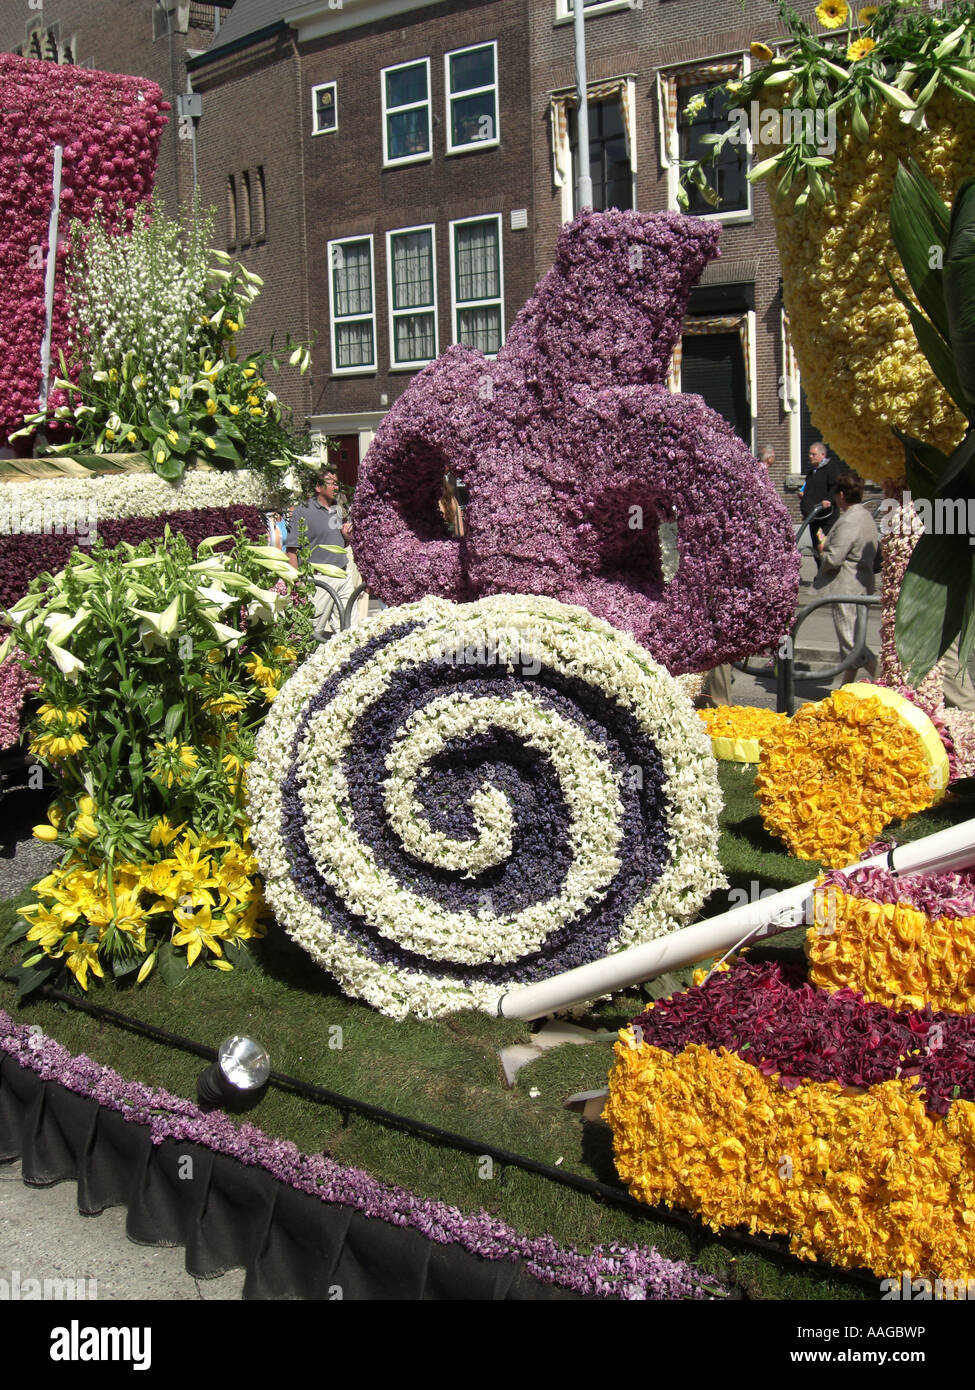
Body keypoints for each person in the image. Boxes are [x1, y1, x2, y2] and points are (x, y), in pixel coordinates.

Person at [813, 472, 879, 687]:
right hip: (862, 584)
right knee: (853, 640)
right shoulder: (866, 516)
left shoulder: (849, 520)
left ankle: (884, 679)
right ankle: (845, 690)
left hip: (846, 588)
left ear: (841, 495)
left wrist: (822, 548)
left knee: (851, 644)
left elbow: (834, 559)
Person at [286, 469, 356, 636]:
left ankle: (347, 660)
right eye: (331, 483)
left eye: (337, 483)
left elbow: (340, 543)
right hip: (319, 580)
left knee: (349, 629)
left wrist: (346, 537)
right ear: (318, 487)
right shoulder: (302, 511)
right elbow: (291, 550)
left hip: (343, 574)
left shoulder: (338, 509)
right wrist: (296, 583)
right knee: (312, 631)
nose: (336, 487)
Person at [800, 442, 843, 560]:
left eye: (813, 454)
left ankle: (827, 575)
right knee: (816, 548)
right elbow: (809, 490)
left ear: (822, 454)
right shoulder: (812, 472)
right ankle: (820, 574)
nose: (810, 456)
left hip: (826, 518)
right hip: (814, 518)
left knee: (823, 546)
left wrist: (829, 500)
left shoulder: (831, 469)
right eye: (809, 454)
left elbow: (835, 487)